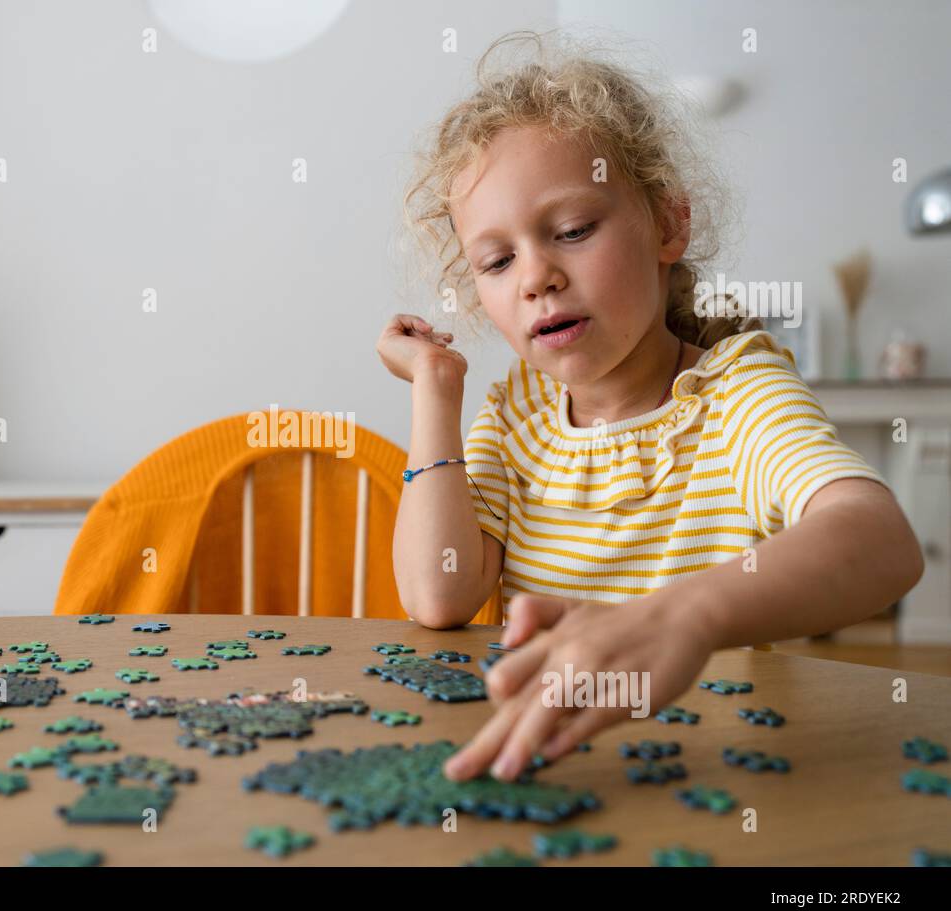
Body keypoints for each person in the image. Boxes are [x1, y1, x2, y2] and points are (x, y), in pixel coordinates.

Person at [378, 30, 923, 782]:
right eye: (497, 262)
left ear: (668, 225)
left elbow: (881, 542)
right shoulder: (514, 414)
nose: (536, 276)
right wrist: (437, 388)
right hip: (555, 774)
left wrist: (686, 615)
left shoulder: (736, 392)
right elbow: (440, 594)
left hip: (716, 774)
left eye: (572, 231)